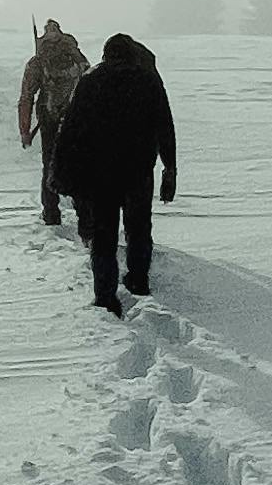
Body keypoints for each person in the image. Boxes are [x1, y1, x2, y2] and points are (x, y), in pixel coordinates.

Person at [53, 30, 177, 315]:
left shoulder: (90, 82)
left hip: (101, 174)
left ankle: (106, 295)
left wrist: (61, 171)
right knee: (139, 228)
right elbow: (164, 125)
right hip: (138, 171)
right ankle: (139, 280)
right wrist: (170, 167)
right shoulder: (148, 81)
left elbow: (70, 130)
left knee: (104, 234)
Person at [16, 18, 88, 226]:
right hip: (77, 118)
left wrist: (25, 130)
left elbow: (26, 97)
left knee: (50, 164)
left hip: (50, 118)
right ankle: (85, 212)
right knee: (79, 164)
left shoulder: (38, 61)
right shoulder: (76, 56)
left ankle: (51, 213)